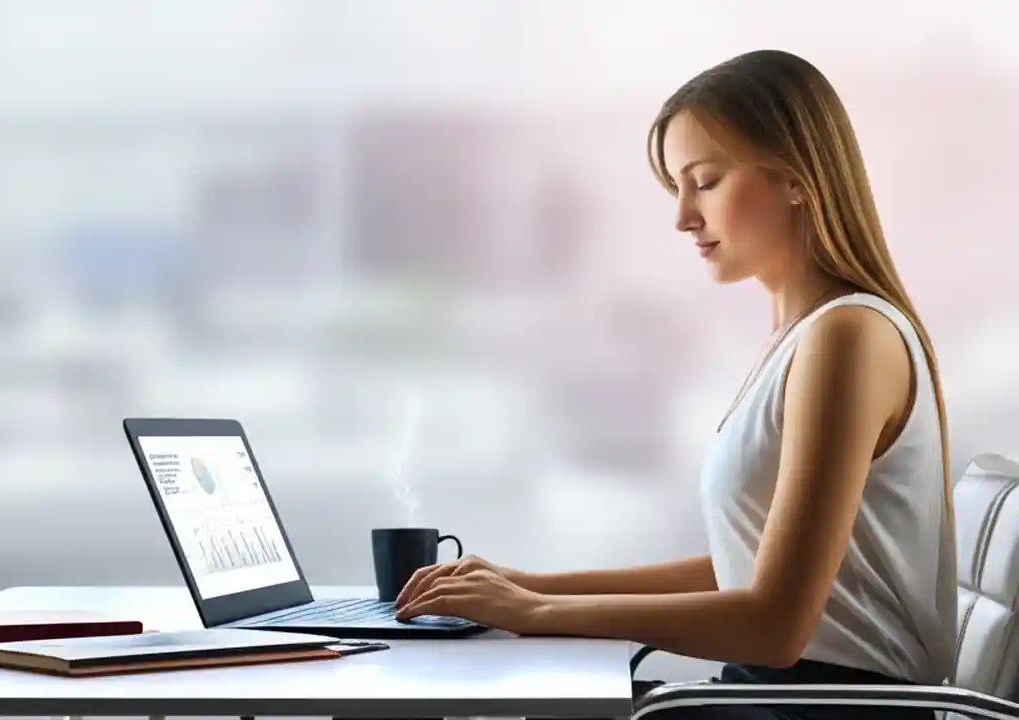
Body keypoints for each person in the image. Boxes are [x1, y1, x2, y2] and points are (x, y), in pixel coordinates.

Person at [394, 49, 956, 720]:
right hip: (773, 697)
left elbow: (775, 624)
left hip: (822, 709)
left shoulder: (848, 338)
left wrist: (536, 611)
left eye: (706, 182)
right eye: (677, 190)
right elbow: (742, 568)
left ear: (797, 178)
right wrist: (531, 586)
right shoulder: (802, 338)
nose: (684, 217)